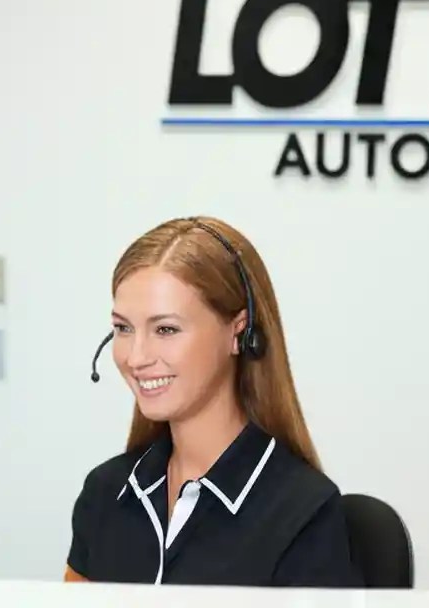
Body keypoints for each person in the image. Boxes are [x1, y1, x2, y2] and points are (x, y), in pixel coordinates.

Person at [65, 216, 363, 587]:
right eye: (123, 328)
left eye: (165, 329)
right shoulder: (107, 492)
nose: (135, 356)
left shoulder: (303, 513)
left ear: (239, 333)